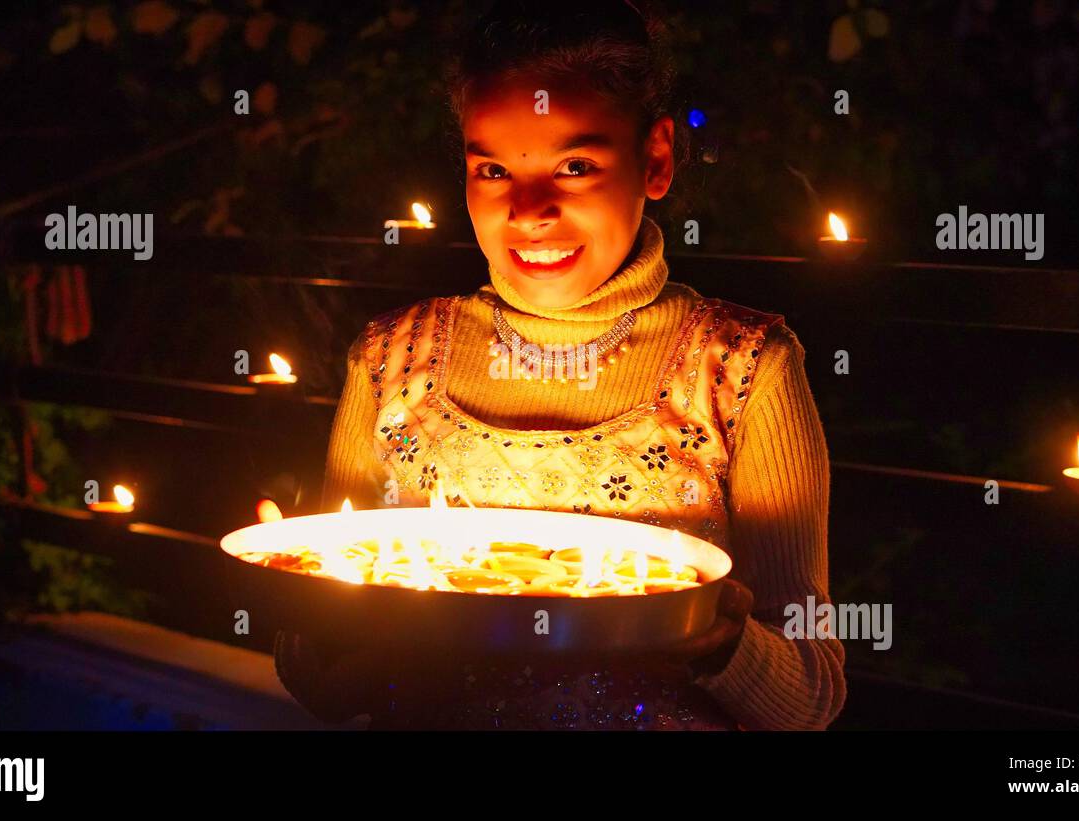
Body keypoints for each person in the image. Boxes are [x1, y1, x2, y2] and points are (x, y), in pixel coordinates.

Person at [275, 0, 846, 730]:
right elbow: (322, 680)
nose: (530, 210)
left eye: (575, 165)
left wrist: (720, 639)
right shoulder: (390, 361)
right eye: (493, 169)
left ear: (658, 158)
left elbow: (809, 695)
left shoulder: (741, 370)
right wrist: (309, 612)